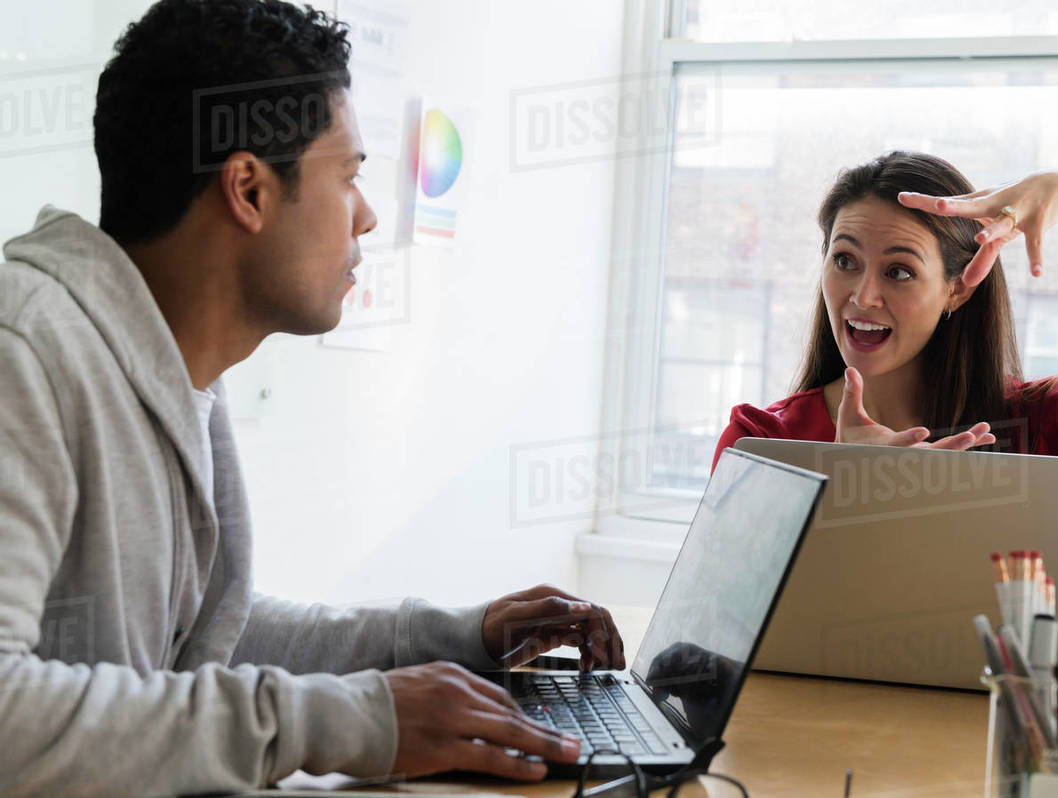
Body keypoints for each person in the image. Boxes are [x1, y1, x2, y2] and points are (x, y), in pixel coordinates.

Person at [0, 1, 624, 795]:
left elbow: (207, 640)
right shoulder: (25, 352)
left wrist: (453, 638)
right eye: (349, 176)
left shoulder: (170, 369)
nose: (365, 214)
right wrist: (348, 722)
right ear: (250, 192)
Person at [713, 151, 1058, 469]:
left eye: (898, 271)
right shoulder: (758, 441)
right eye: (844, 261)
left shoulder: (1020, 427)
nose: (862, 296)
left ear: (957, 290)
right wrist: (843, 479)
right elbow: (721, 608)